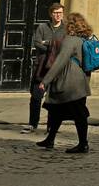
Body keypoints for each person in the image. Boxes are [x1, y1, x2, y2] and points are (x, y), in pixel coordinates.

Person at [37, 12, 95, 154]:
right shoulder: (86, 39)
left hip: (69, 82)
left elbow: (60, 62)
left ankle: (83, 144)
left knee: (78, 114)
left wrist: (45, 80)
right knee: (57, 111)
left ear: (71, 25)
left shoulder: (70, 40)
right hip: (79, 80)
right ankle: (50, 139)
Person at [22, 2, 65, 133]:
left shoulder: (66, 29)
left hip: (57, 67)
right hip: (41, 66)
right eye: (56, 13)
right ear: (51, 14)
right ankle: (32, 124)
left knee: (54, 98)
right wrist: (54, 46)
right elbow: (37, 43)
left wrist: (48, 43)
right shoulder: (42, 27)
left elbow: (65, 46)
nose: (58, 15)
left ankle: (51, 126)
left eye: (60, 13)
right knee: (36, 96)